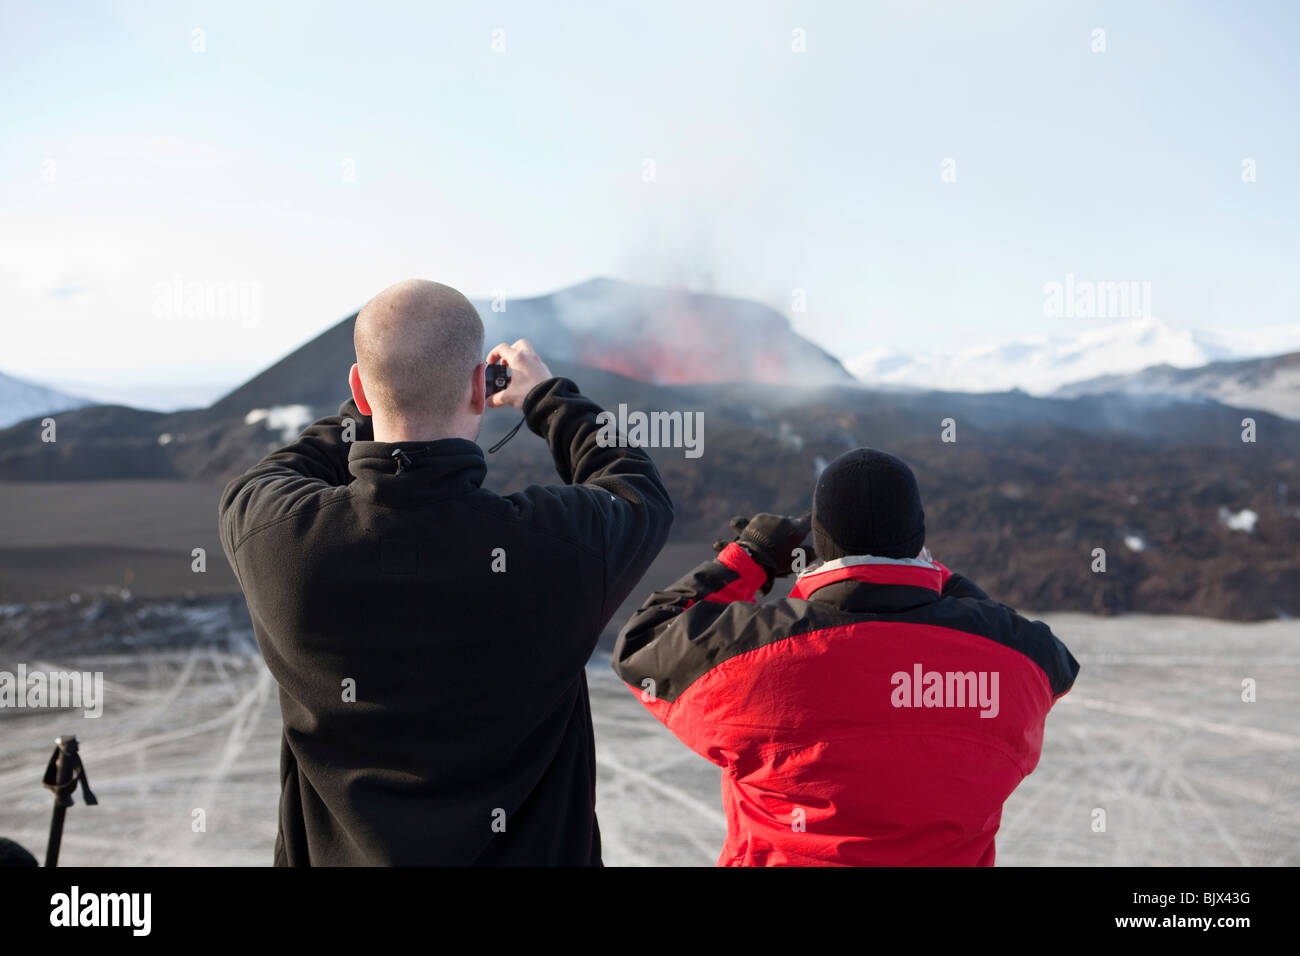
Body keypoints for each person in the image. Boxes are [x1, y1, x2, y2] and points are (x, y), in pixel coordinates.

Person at [219, 279, 672, 865]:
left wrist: (373, 400)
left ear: (359, 389)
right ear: (482, 391)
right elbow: (635, 488)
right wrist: (549, 397)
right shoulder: (552, 548)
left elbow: (280, 469)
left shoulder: (274, 536)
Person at [612, 447, 1079, 866]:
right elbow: (1052, 661)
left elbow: (643, 643)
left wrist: (748, 556)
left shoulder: (751, 651)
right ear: (917, 537)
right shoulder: (1017, 661)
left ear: (822, 540)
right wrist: (935, 577)